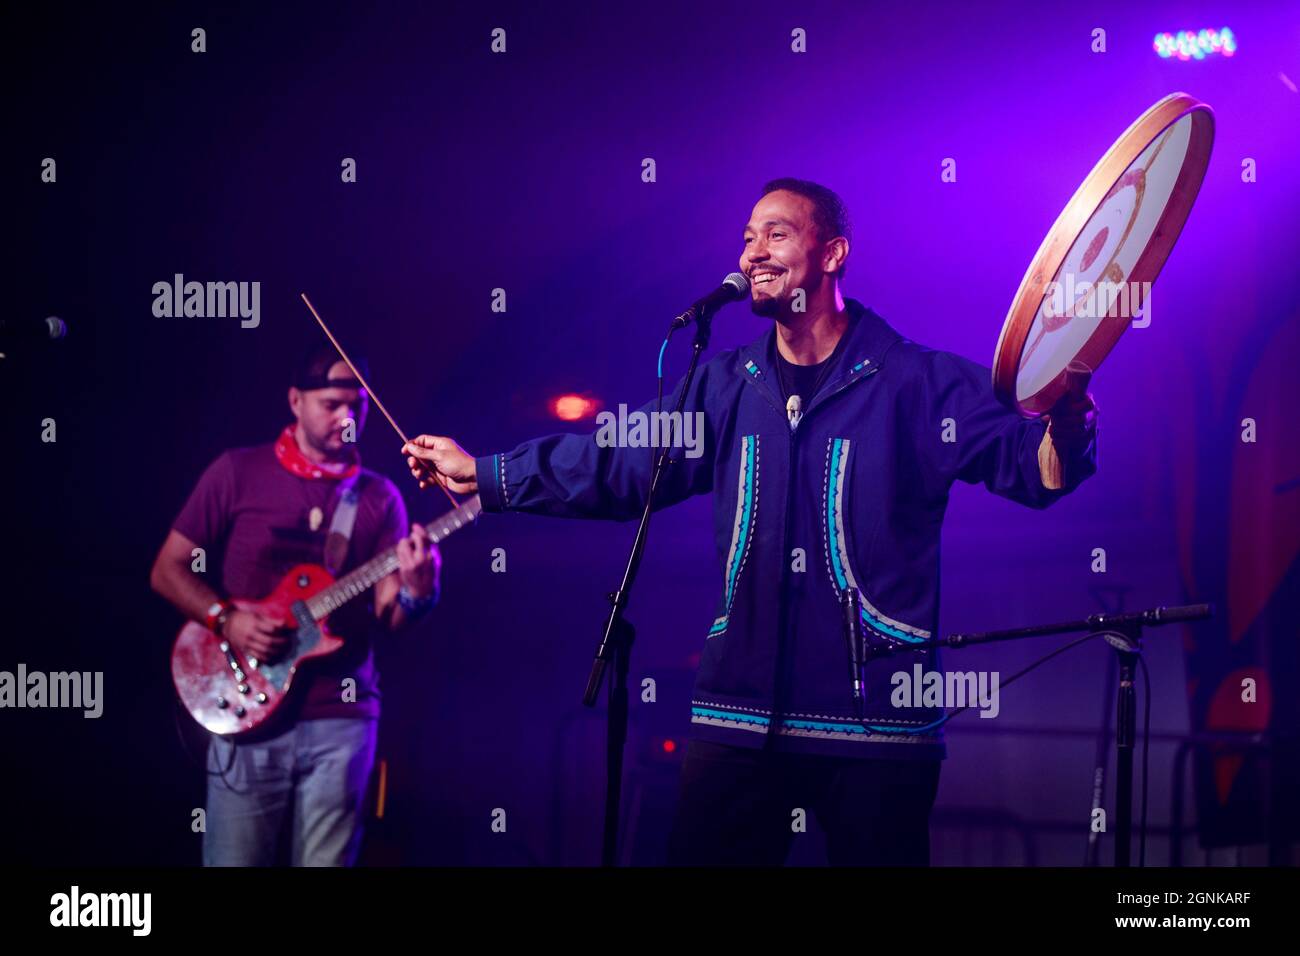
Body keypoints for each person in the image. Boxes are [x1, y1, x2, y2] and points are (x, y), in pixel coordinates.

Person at [402, 178, 1098, 866]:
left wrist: (1066, 423)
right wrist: (485, 474)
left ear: (833, 254)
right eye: (745, 237)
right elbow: (612, 463)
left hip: (877, 729)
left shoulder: (915, 382)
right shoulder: (723, 384)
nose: (752, 252)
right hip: (737, 720)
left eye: (776, 233)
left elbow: (1035, 468)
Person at [150, 345, 441, 866]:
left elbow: (391, 615)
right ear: (294, 400)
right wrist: (227, 619)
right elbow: (167, 570)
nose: (347, 418)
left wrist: (419, 589)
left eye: (357, 406)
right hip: (246, 704)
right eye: (331, 404)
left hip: (343, 717)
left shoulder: (379, 498)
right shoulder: (237, 472)